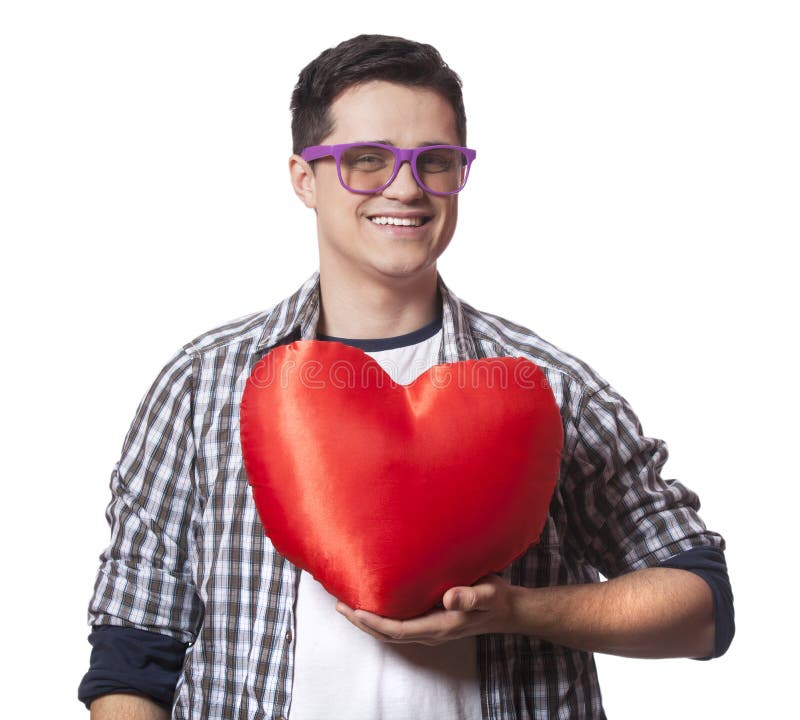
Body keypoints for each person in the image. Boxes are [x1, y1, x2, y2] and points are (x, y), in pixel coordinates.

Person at [79, 34, 734, 720]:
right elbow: (134, 648)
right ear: (303, 177)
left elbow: (702, 607)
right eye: (367, 160)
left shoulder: (548, 388)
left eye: (436, 161)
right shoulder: (200, 387)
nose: (406, 187)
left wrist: (518, 609)